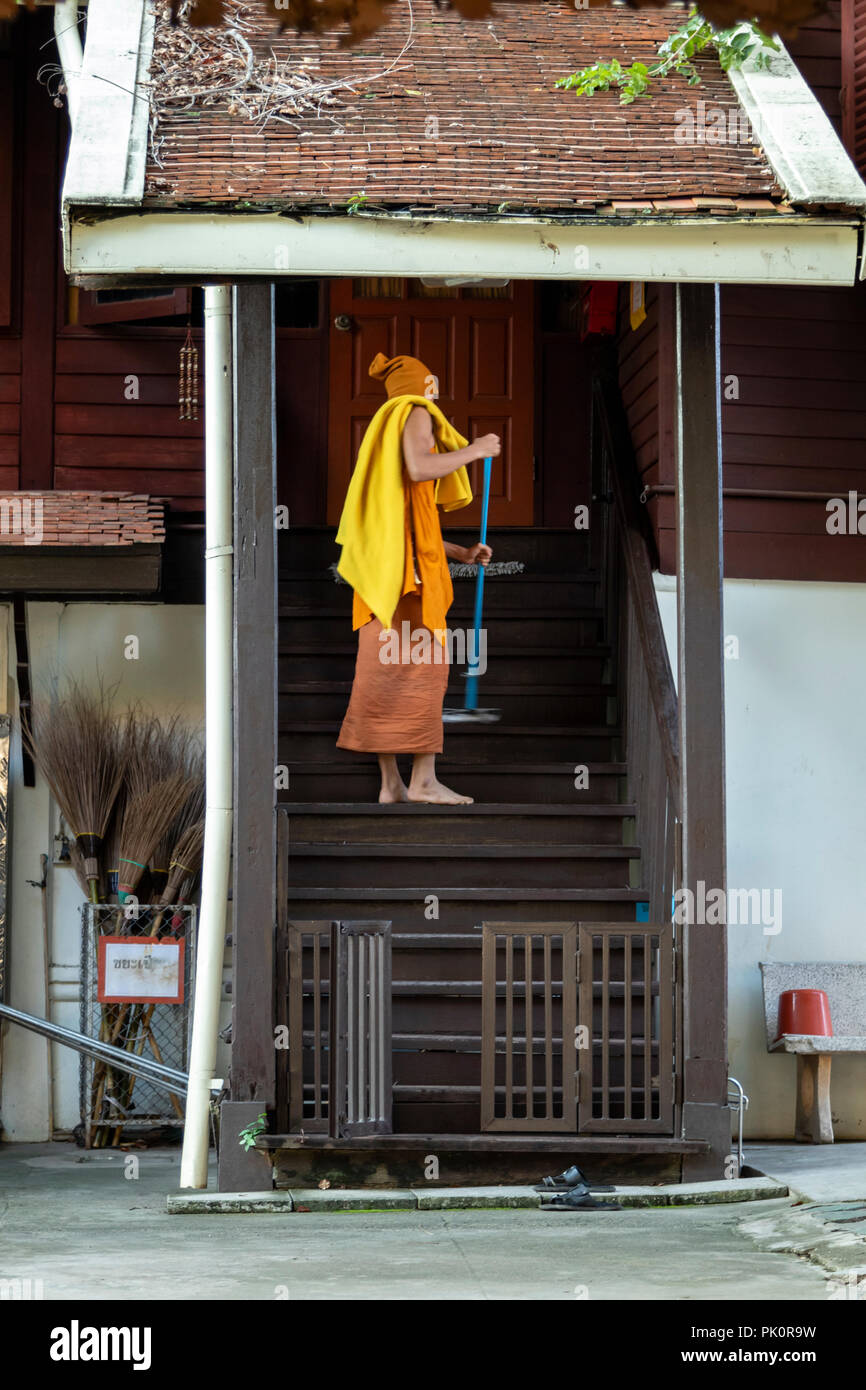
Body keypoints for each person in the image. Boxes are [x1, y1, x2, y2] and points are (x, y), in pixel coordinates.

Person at [335, 351, 500, 804]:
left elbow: (406, 527)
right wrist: (476, 450)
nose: (436, 392)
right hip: (409, 585)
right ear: (422, 386)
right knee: (426, 672)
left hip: (387, 578)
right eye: (432, 384)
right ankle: (423, 781)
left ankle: (391, 784)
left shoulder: (388, 425)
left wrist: (460, 552)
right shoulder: (416, 413)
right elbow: (421, 467)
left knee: (380, 671)